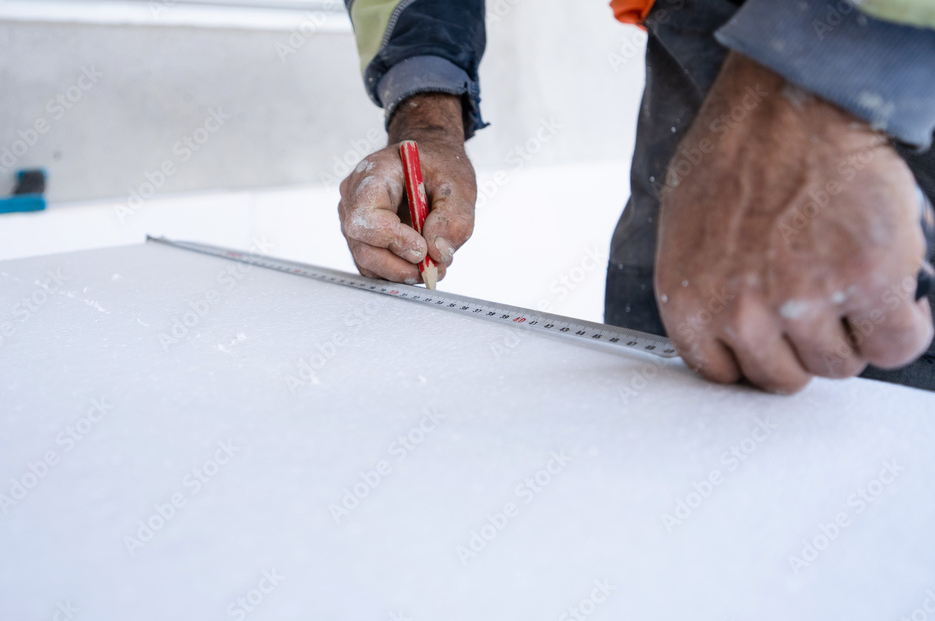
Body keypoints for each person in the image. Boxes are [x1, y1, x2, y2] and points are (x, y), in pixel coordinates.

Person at [336, 0, 935, 393]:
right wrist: (427, 115)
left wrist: (818, 74)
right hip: (689, 36)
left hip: (896, 45)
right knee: (659, 406)